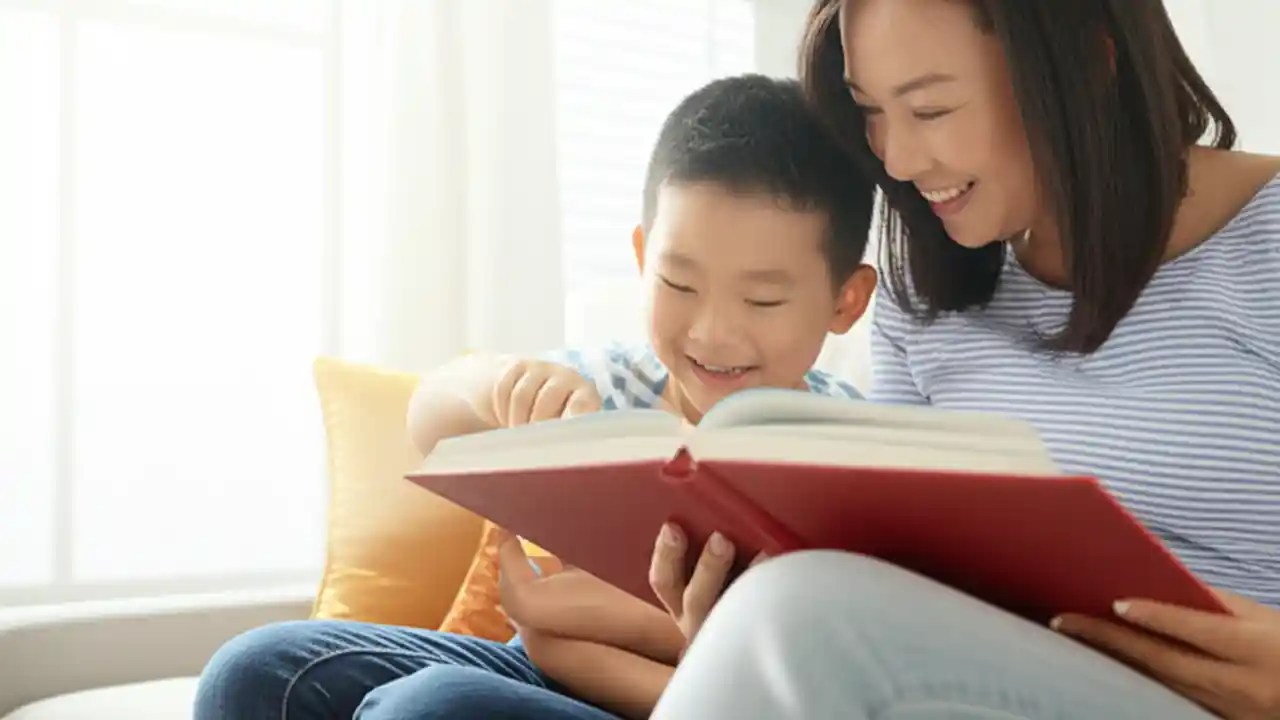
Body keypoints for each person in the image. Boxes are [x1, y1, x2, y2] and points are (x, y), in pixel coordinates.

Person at [647, 1, 1280, 719]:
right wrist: (736, 624)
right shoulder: (924, 292)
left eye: (931, 109)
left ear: (1091, 68)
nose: (896, 158)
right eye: (870, 110)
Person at [192, 73, 878, 720]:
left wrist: (571, 631)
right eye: (678, 284)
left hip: (700, 698)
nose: (712, 331)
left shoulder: (853, 453)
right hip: (535, 671)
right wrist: (496, 383)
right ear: (642, 258)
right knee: (251, 672)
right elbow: (434, 424)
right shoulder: (605, 388)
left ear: (845, 301)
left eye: (762, 298)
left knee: (429, 709)